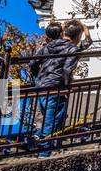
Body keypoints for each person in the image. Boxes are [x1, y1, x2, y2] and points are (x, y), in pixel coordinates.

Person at [28, 20, 82, 157]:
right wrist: (66, 87)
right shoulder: (72, 49)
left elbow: (33, 63)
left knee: (51, 117)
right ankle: (43, 153)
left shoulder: (48, 46)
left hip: (41, 86)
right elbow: (67, 69)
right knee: (51, 121)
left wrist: (38, 79)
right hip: (55, 87)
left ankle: (35, 141)